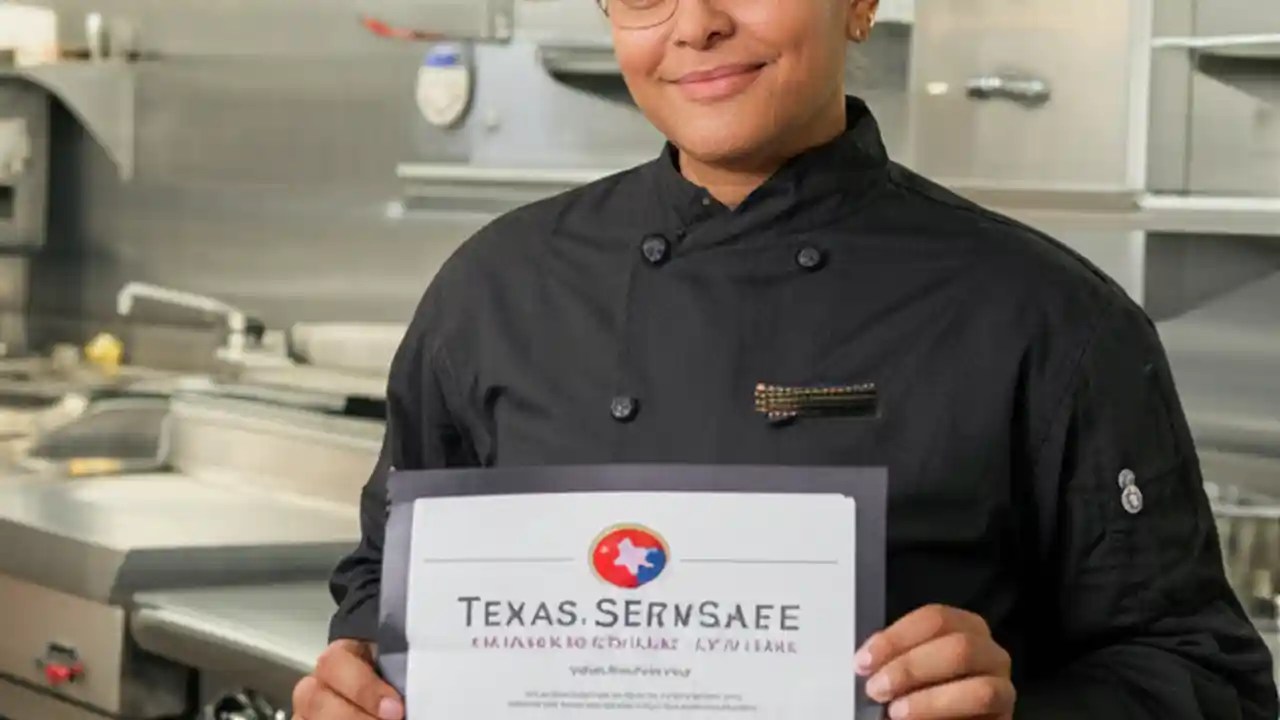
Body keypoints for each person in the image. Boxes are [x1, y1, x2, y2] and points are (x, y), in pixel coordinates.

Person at [291, 0, 1279, 718]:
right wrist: (364, 674)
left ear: (860, 4)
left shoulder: (1049, 316)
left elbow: (1207, 678)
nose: (695, 25)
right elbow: (389, 573)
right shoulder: (495, 288)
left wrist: (1014, 710)